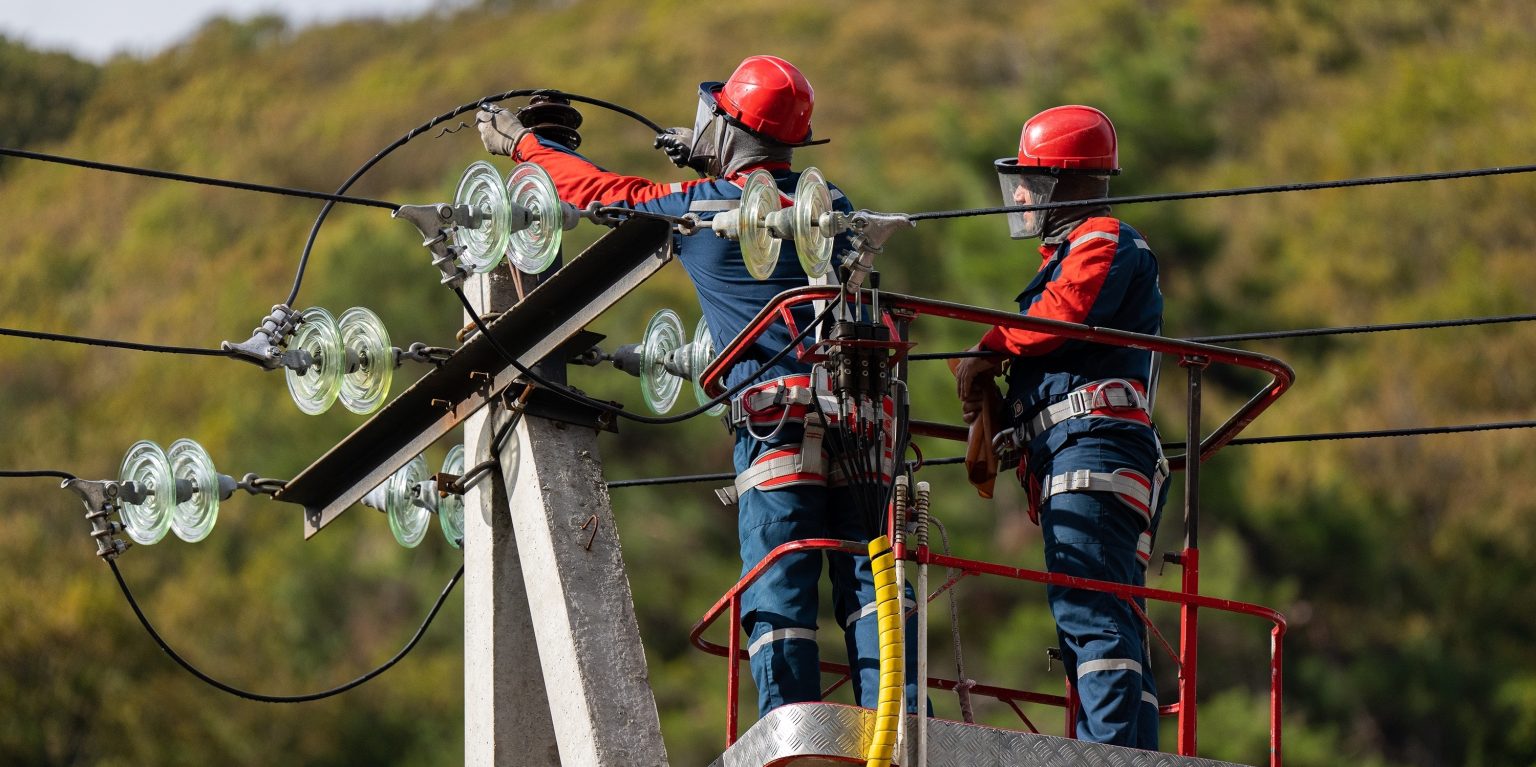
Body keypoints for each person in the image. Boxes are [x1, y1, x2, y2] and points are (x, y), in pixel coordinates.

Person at [478, 55, 920, 717]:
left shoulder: (698, 208)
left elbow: (600, 192)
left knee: (781, 592)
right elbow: (769, 206)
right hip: (864, 423)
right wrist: (717, 160)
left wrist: (524, 145)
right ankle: (901, 728)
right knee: (873, 588)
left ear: (731, 134)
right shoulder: (833, 210)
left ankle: (793, 739)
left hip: (778, 427)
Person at [953, 104, 1168, 749]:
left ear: (1067, 182)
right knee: (1107, 614)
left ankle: (1107, 757)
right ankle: (1127, 752)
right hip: (1087, 454)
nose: (1020, 195)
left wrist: (991, 345)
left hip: (1094, 448)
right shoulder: (1071, 252)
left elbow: (1060, 318)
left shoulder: (1102, 238)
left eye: (1031, 180)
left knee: (1091, 613)